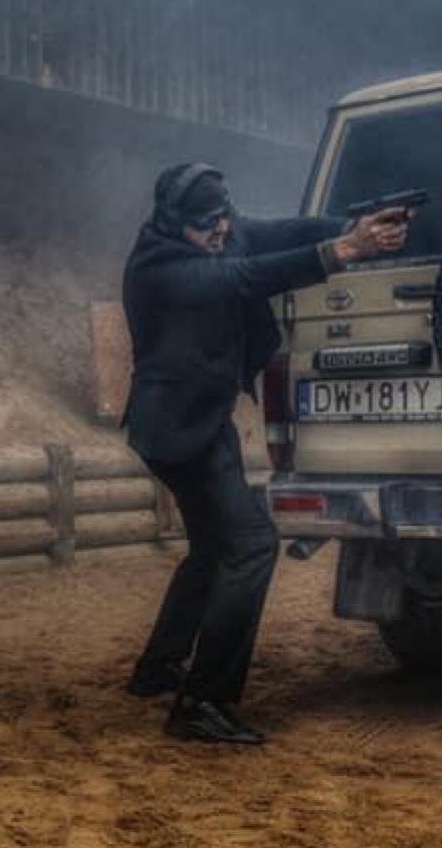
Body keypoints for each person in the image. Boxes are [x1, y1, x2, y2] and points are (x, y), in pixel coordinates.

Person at [121, 163, 408, 745]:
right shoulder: (158, 267)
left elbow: (280, 233)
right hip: (178, 431)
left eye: (224, 216)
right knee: (250, 546)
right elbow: (247, 278)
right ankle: (202, 703)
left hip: (196, 424)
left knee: (211, 549)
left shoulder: (218, 230)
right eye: (207, 225)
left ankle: (159, 668)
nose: (222, 230)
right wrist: (345, 250)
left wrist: (353, 224)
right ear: (176, 225)